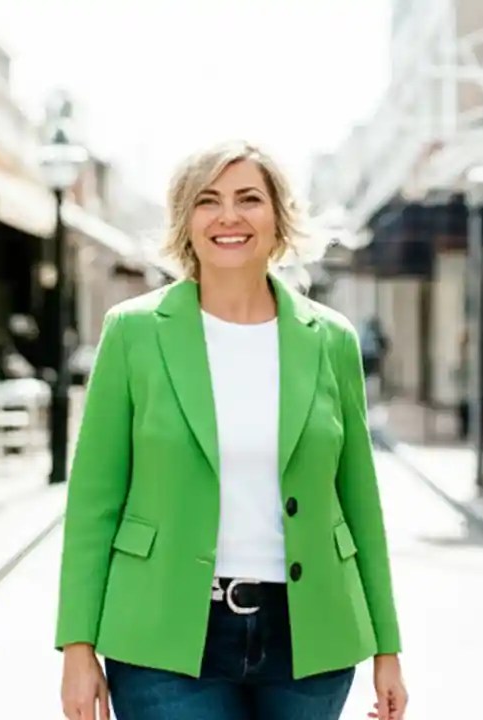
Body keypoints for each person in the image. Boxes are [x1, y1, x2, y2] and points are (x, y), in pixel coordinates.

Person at [55, 140, 408, 720]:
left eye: (249, 199)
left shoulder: (330, 340)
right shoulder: (134, 333)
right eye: (207, 201)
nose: (228, 217)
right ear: (185, 220)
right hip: (161, 636)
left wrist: (387, 649)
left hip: (309, 638)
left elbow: (360, 501)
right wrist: (77, 647)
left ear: (279, 217)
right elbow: (94, 501)